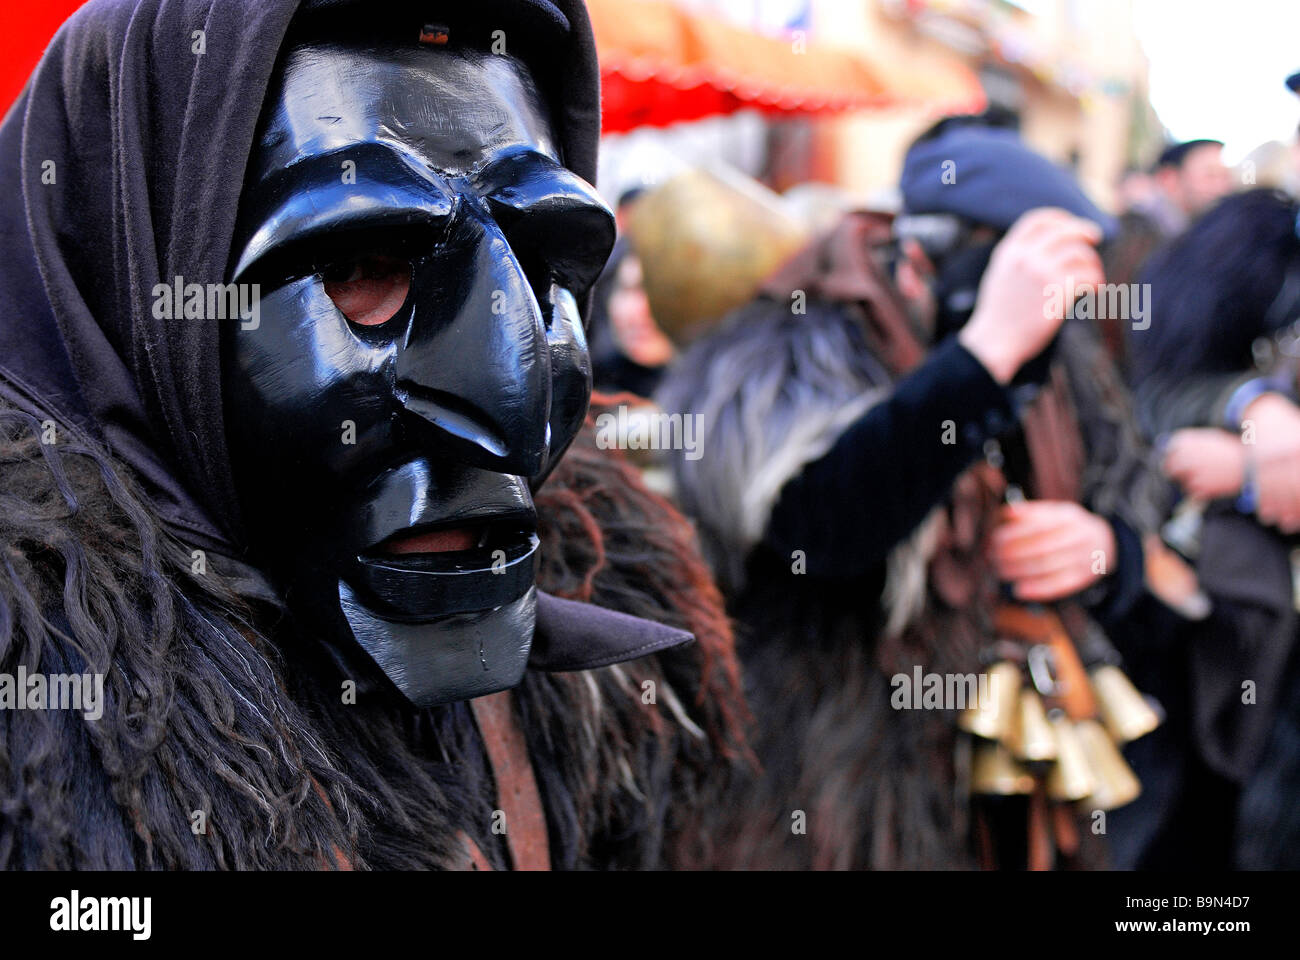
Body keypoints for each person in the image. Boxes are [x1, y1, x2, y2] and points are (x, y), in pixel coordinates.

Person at [0, 0, 747, 870]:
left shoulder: (604, 702)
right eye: (362, 269)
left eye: (540, 268)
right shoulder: (43, 759)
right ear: (130, 284)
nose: (515, 400)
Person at [656, 120, 1128, 867]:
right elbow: (815, 532)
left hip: (1006, 770)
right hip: (819, 789)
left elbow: (1134, 487)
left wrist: (1105, 547)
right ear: (920, 256)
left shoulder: (1049, 341)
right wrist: (983, 357)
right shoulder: (793, 334)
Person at [1129, 185, 1300, 869]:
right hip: (1220, 636)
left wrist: (1254, 475)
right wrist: (1251, 406)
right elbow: (1163, 387)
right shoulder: (1263, 239)